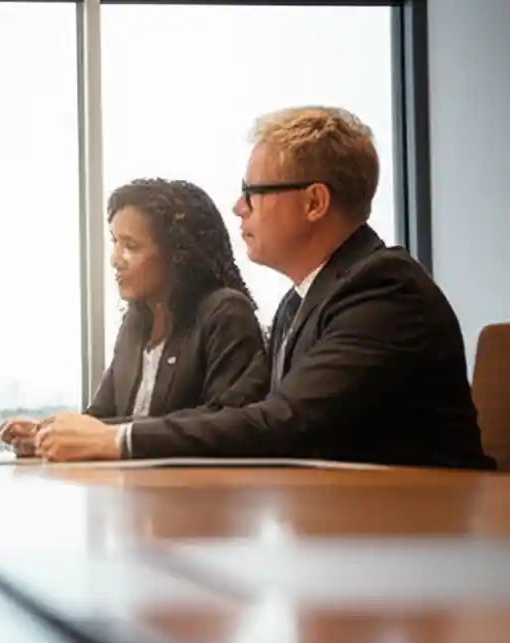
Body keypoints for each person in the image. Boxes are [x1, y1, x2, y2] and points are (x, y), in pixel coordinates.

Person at [31, 106, 491, 469]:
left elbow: (285, 422)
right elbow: (227, 410)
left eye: (253, 192)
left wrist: (117, 440)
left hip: (427, 535)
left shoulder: (384, 289)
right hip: (351, 532)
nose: (237, 207)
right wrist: (85, 434)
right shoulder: (299, 303)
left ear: (314, 201)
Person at [0, 178, 268, 455]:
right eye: (115, 242)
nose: (115, 259)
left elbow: (224, 424)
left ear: (178, 254)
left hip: (198, 494)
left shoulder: (225, 312)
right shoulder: (136, 323)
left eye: (130, 245)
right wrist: (47, 432)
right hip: (135, 493)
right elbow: (101, 418)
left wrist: (107, 435)